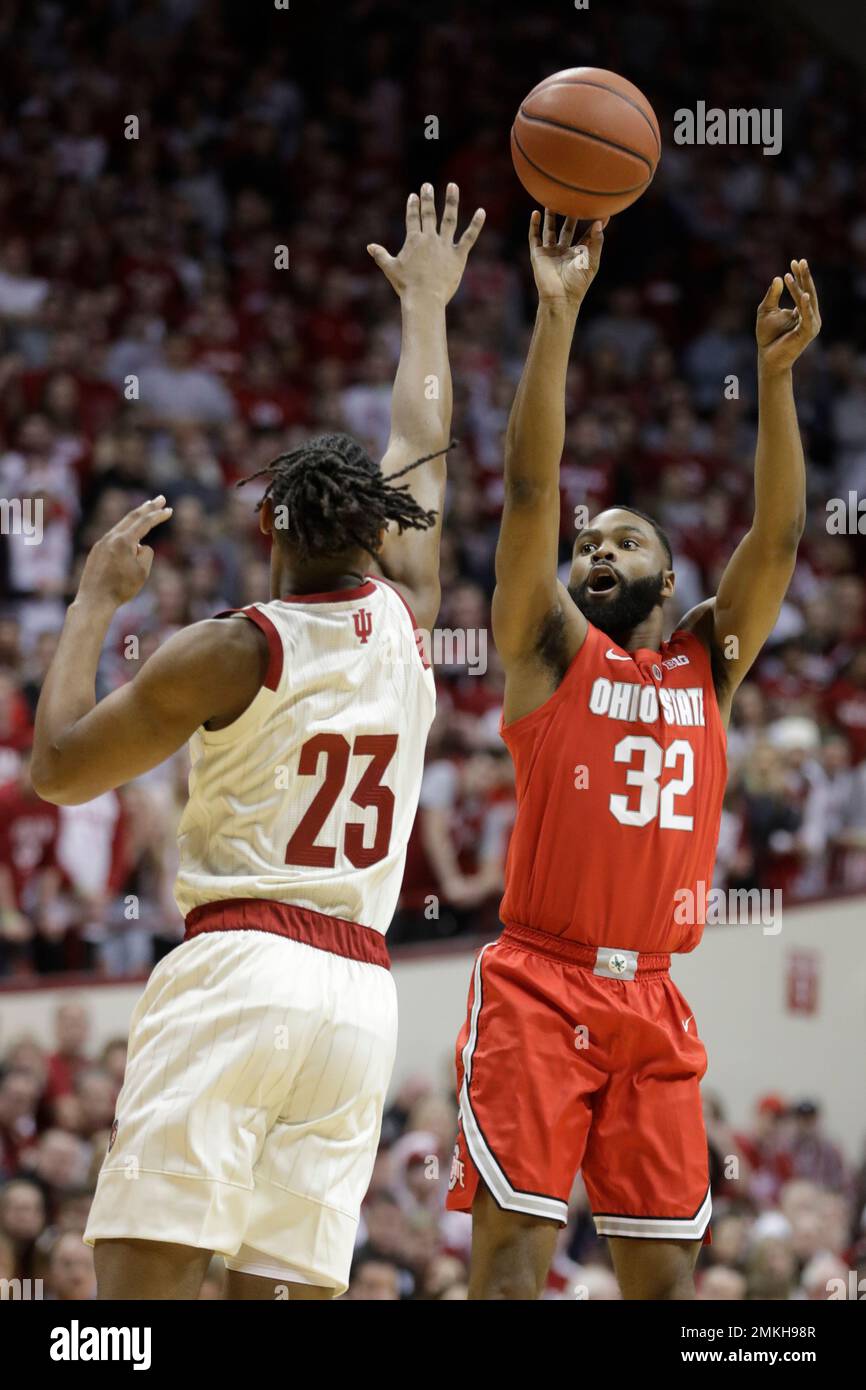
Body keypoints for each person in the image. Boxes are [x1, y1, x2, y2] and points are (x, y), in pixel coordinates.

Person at [32, 184, 485, 1300]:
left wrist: (93, 600)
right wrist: (427, 303)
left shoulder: (229, 648)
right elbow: (421, 433)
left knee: (136, 1289)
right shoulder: (409, 615)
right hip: (360, 998)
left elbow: (56, 769)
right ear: (382, 531)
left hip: (241, 962)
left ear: (267, 527)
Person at [445, 208, 821, 1300]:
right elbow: (526, 490)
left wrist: (776, 379)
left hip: (653, 995)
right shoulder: (548, 651)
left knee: (665, 1274)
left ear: (670, 581)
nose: (594, 547)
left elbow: (780, 538)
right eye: (587, 543)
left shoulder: (709, 662)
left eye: (624, 539)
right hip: (536, 981)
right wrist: (555, 313)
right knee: (511, 1255)